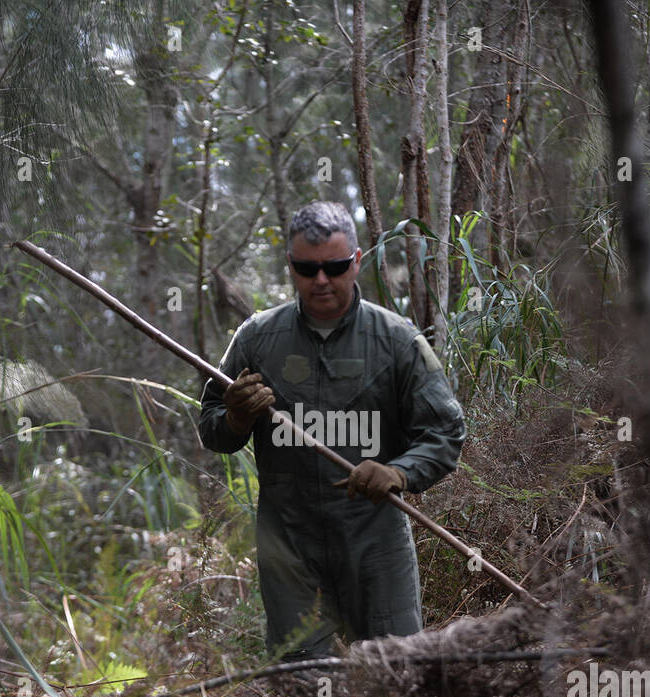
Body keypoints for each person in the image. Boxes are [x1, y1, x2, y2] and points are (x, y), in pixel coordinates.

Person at [199, 201, 466, 661]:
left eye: (335, 267)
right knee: (304, 684)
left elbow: (445, 432)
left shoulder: (397, 339)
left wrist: (399, 473)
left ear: (356, 261)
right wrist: (237, 416)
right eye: (307, 268)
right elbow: (211, 428)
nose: (321, 280)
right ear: (291, 266)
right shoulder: (255, 339)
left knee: (398, 675)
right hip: (288, 544)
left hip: (375, 541)